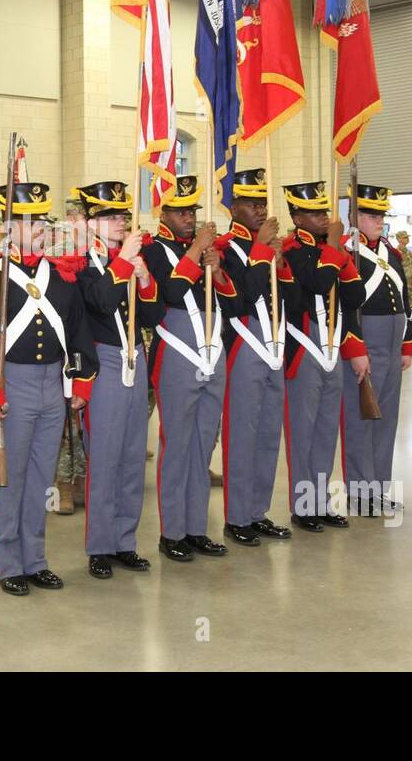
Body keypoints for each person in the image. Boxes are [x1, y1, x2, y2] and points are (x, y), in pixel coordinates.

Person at [0, 181, 98, 596]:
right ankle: (8, 563)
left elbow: (77, 331)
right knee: (10, 479)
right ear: (5, 227)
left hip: (52, 385)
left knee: (41, 479)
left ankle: (36, 559)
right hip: (11, 386)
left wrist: (81, 381)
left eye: (41, 221)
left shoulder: (60, 275)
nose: (37, 228)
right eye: (27, 221)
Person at [140, 175, 241, 562]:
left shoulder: (205, 251)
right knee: (177, 445)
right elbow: (170, 293)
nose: (189, 218)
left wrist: (216, 270)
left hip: (212, 352)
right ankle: (172, 533)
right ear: (163, 212)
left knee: (203, 445)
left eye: (192, 212)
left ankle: (197, 527)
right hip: (178, 354)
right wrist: (197, 250)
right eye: (181, 211)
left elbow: (231, 303)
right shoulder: (155, 250)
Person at [74, 180, 163, 579]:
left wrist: (143, 280)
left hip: (135, 356)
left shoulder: (129, 259)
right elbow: (100, 302)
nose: (119, 223)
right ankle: (100, 545)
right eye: (109, 216)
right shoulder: (79, 262)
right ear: (90, 222)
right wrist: (124, 264)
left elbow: (152, 316)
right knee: (105, 457)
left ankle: (125, 540)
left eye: (123, 216)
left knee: (131, 457)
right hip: (104, 361)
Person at [280, 181, 368, 532]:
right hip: (305, 347)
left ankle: (320, 503)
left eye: (324, 211)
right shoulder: (292, 249)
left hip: (332, 346)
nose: (322, 218)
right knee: (303, 433)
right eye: (314, 213)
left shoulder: (330, 250)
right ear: (297, 216)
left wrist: (340, 255)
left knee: (326, 432)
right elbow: (316, 284)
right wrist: (333, 247)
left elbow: (355, 295)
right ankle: (303, 508)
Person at [219, 169, 296, 547]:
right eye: (252, 204)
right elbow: (239, 300)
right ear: (234, 207)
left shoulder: (270, 246)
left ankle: (257, 510)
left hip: (274, 345)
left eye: (264, 203)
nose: (261, 211)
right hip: (244, 346)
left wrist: (277, 261)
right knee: (243, 434)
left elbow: (288, 297)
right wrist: (261, 251)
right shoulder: (226, 248)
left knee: (268, 434)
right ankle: (236, 517)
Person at [340, 184, 412, 516]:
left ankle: (379, 488)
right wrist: (355, 345)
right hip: (364, 338)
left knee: (386, 417)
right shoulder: (345, 252)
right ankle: (360, 493)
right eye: (371, 215)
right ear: (354, 216)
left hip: (391, 337)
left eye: (381, 215)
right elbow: (343, 306)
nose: (379, 221)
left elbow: (406, 298)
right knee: (361, 416)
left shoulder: (393, 255)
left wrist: (407, 341)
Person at [51, 197, 89, 511]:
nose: (77, 221)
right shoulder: (56, 249)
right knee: (65, 419)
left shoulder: (97, 250)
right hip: (61, 340)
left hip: (88, 340)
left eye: (82, 216)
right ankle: (63, 483)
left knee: (82, 421)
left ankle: (81, 479)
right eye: (73, 215)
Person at [395, 230, 412, 299]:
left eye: (407, 237)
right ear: (399, 239)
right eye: (405, 237)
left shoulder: (408, 252)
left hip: (411, 282)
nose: (407, 239)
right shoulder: (397, 252)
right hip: (404, 282)